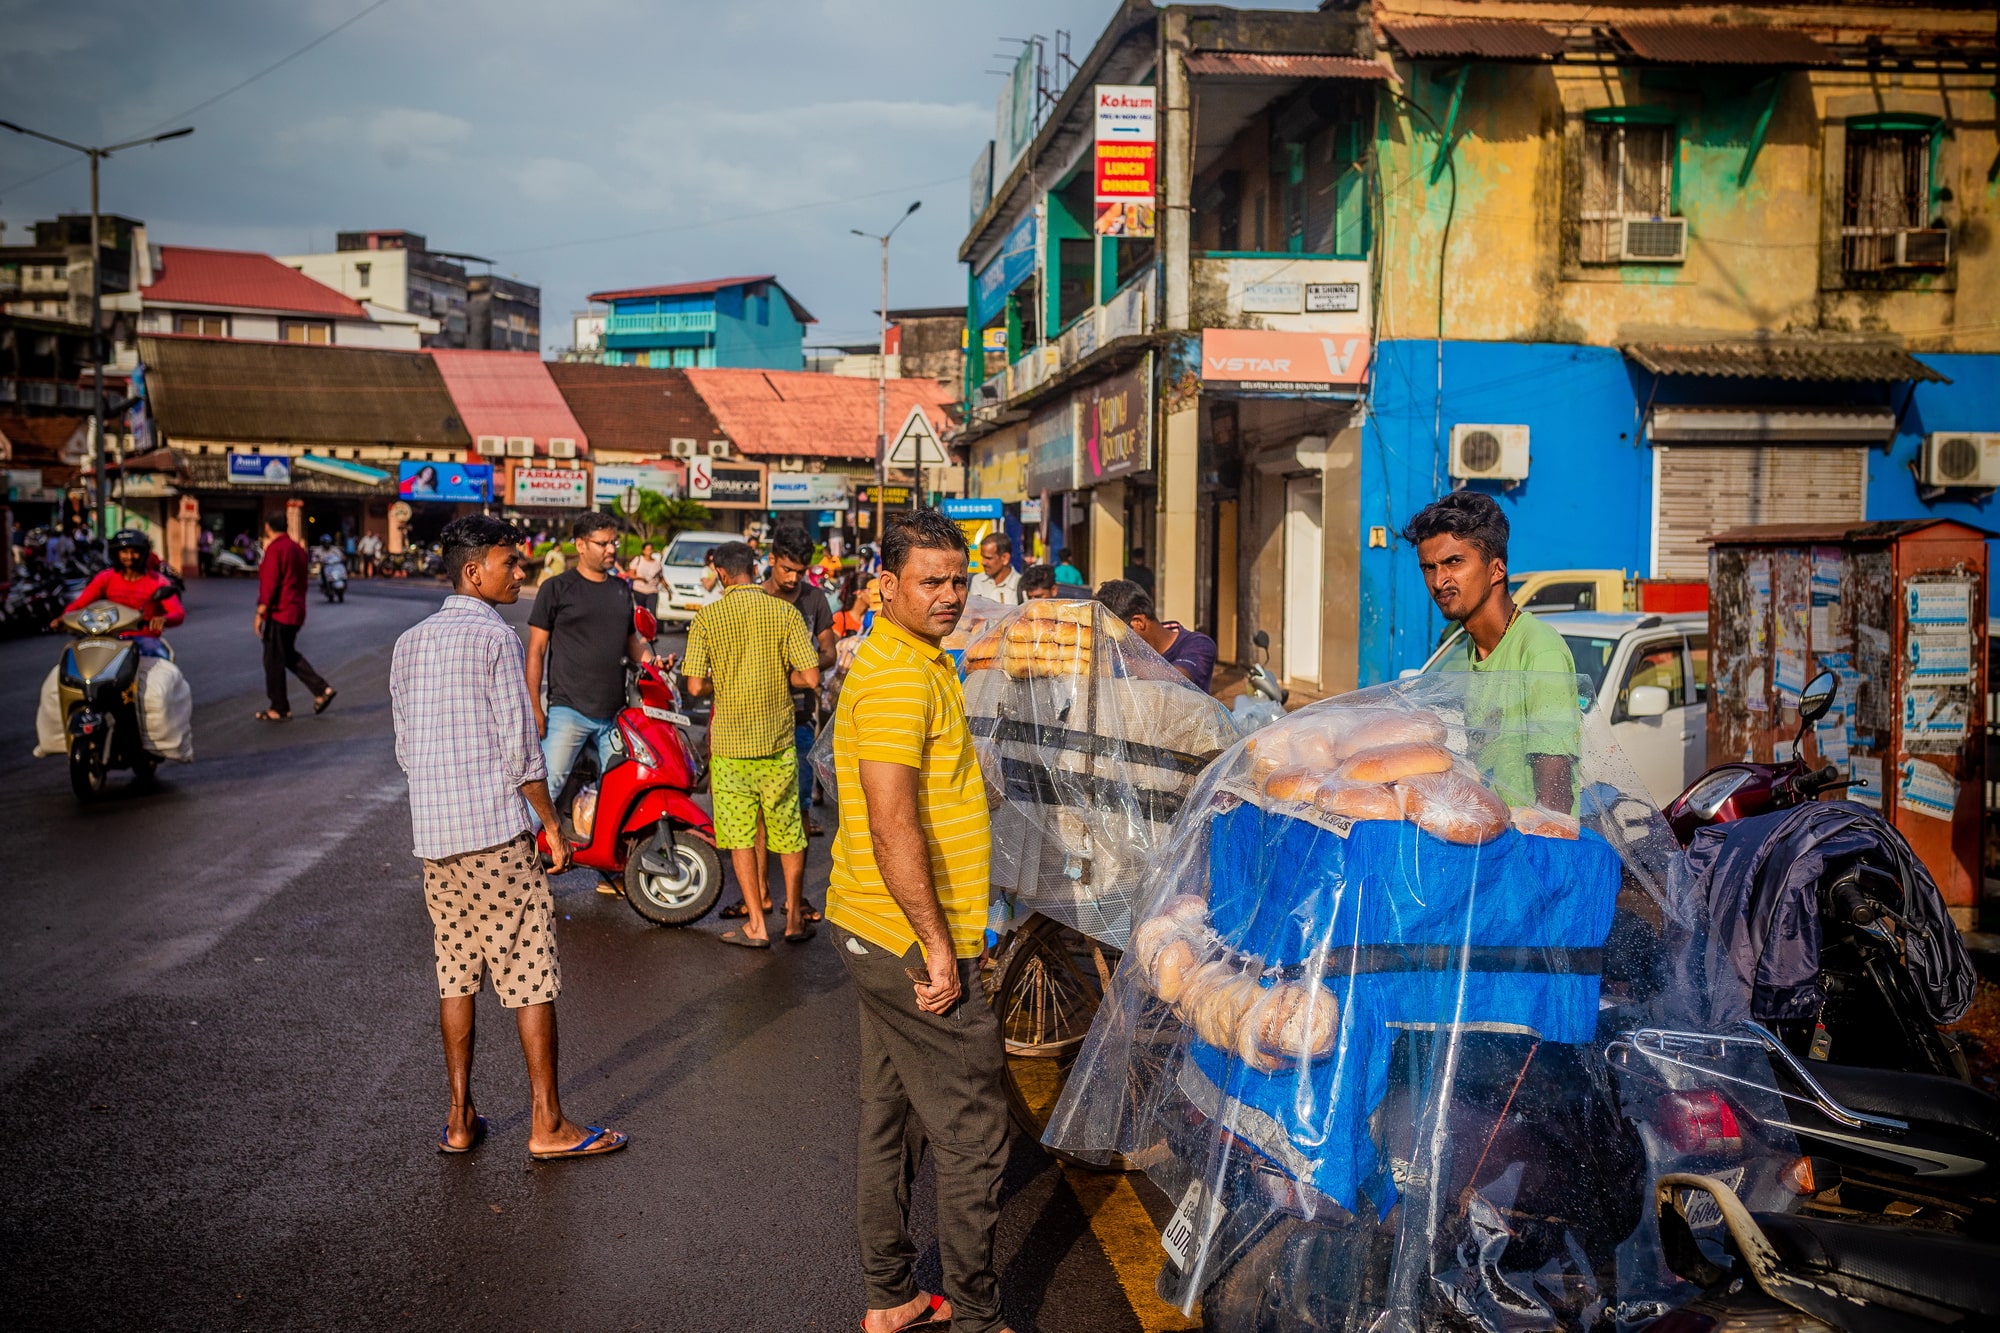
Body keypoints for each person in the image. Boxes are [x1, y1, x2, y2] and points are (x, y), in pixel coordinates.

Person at [827, 509, 1015, 1333]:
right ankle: (976, 1315)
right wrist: (939, 947)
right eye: (929, 581)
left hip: (871, 922)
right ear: (887, 586)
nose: (948, 595)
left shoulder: (916, 658)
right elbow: (890, 820)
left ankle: (892, 1294)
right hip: (910, 938)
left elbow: (923, 795)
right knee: (975, 1130)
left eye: (957, 579)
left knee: (893, 1116)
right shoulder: (902, 674)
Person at [390, 514, 627, 1162]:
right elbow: (524, 755)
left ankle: (460, 1117)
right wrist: (553, 828)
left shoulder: (409, 643)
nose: (519, 573)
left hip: (436, 839)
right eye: (509, 562)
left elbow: (407, 748)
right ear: (474, 571)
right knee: (529, 974)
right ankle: (548, 1123)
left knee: (456, 974)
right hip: (495, 836)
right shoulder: (495, 638)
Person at [681, 540, 821, 946]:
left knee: (741, 835)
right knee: (789, 831)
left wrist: (724, 682)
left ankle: (757, 925)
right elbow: (811, 677)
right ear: (755, 568)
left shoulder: (707, 618)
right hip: (778, 741)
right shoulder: (785, 611)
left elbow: (694, 685)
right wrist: (779, 677)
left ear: (722, 574)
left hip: (730, 748)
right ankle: (794, 919)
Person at [1402, 491, 1578, 811]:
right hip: (1492, 842)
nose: (1439, 580)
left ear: (1496, 570)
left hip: (1529, 852)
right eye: (1429, 567)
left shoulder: (1539, 651)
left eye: (1454, 562)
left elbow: (1556, 800)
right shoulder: (1472, 647)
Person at [526, 514, 655, 823]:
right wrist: (534, 707)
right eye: (603, 543)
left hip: (613, 714)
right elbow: (536, 651)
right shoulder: (557, 588)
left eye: (614, 542)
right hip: (568, 709)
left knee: (624, 791)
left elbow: (633, 641)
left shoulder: (622, 590)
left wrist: (654, 663)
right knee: (549, 785)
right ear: (581, 545)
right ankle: (515, 858)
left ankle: (612, 870)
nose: (611, 549)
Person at [762, 527, 837, 839]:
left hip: (801, 716)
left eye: (800, 572)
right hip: (759, 717)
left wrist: (802, 668)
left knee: (802, 802)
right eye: (786, 569)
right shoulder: (756, 598)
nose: (793, 579)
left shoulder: (814, 598)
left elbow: (829, 653)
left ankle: (795, 888)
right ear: (772, 559)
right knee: (762, 809)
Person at [253, 513, 335, 721]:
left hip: (280, 611)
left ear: (268, 527)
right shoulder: (297, 549)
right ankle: (321, 689)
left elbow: (270, 583)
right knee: (286, 654)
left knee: (273, 659)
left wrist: (261, 611)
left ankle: (279, 707)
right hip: (296, 609)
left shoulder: (275, 549)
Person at [60, 528, 185, 656]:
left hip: (145, 639)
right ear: (116, 553)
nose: (129, 557)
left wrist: (163, 619)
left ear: (143, 554)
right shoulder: (105, 578)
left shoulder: (158, 581)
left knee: (161, 674)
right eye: (124, 552)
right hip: (107, 638)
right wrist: (64, 617)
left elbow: (177, 613)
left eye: (134, 552)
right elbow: (80, 604)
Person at [1094, 578, 1218, 692]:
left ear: (1138, 622)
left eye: (1112, 635)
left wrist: (1119, 662)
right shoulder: (1129, 652)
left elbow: (1180, 680)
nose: (1111, 642)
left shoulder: (1198, 644)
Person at [968, 532, 1023, 605]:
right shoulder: (978, 581)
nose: (983, 562)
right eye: (983, 557)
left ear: (1005, 558)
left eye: (988, 558)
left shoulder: (1020, 584)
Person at [629, 540, 663, 616]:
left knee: (652, 612)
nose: (649, 552)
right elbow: (631, 575)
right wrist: (641, 578)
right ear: (643, 551)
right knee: (640, 611)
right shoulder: (638, 560)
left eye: (651, 549)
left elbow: (661, 577)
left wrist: (668, 590)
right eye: (647, 550)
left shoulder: (657, 563)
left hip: (652, 590)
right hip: (639, 590)